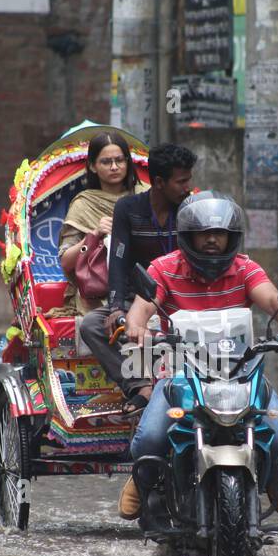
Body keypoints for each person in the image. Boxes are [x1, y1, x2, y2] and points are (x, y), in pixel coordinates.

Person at [117, 191, 278, 520]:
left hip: (240, 371)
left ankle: (269, 474)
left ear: (231, 237)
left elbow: (272, 301)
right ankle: (143, 479)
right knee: (150, 437)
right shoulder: (164, 269)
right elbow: (142, 307)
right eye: (204, 233)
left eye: (219, 233)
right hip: (180, 374)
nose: (211, 240)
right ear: (187, 236)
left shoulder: (245, 269)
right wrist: (136, 327)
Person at [77, 142, 196, 411]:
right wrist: (116, 306)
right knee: (91, 325)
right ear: (158, 182)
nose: (188, 187)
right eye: (181, 181)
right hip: (137, 300)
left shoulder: (191, 209)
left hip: (181, 301)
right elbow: (118, 261)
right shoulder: (128, 209)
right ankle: (139, 385)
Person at [51, 132, 147, 318]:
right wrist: (94, 235)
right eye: (106, 162)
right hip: (98, 296)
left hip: (146, 290)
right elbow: (65, 261)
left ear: (128, 162)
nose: (114, 167)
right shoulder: (83, 205)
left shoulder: (146, 197)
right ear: (93, 167)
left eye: (120, 160)